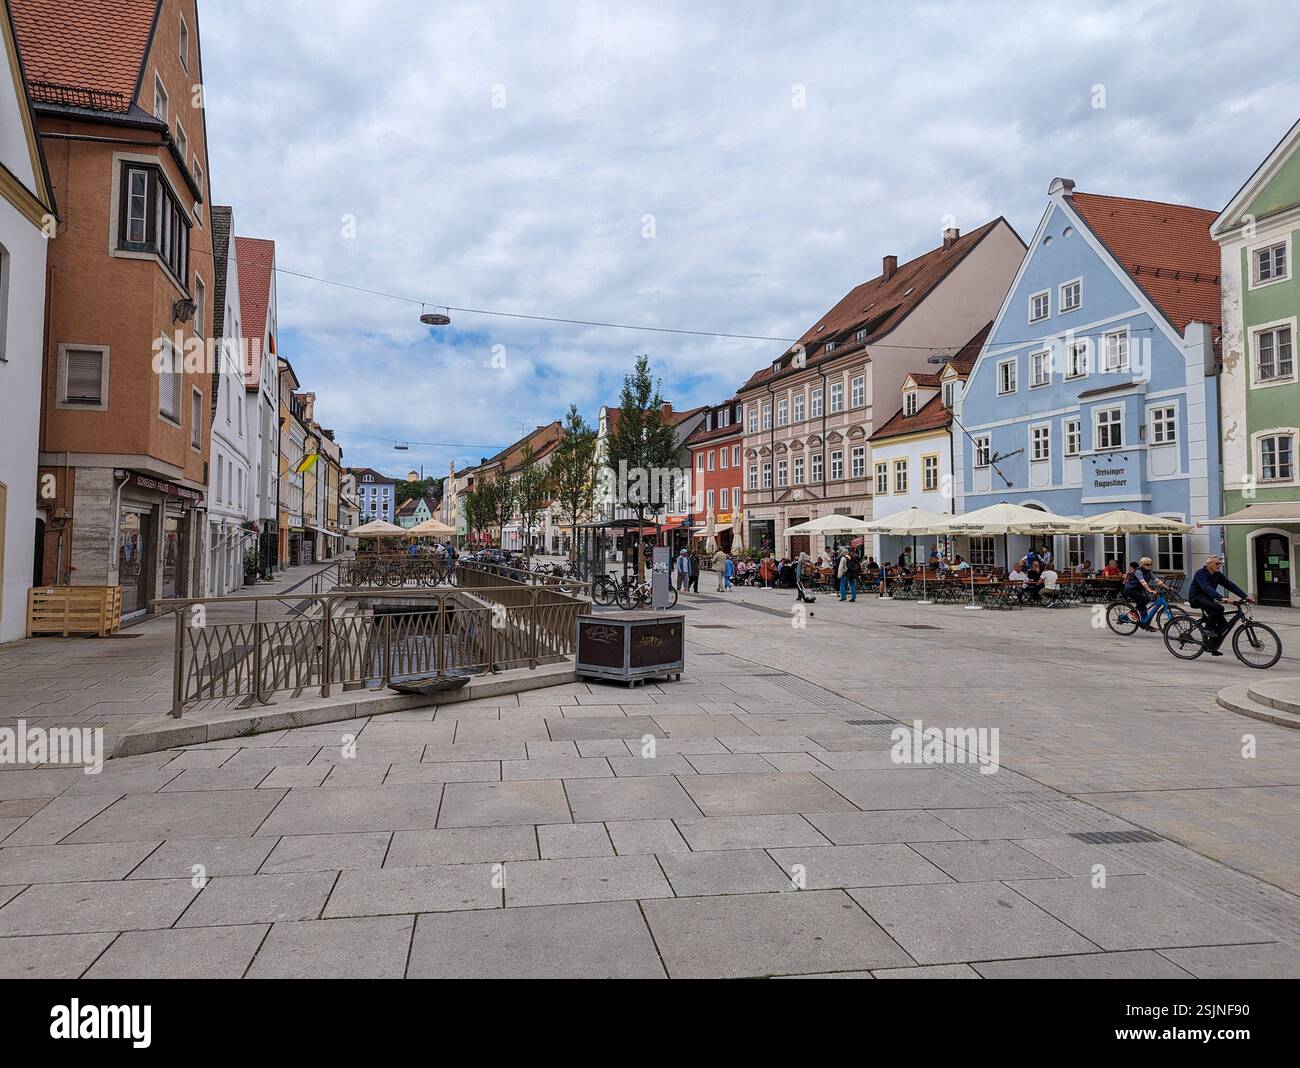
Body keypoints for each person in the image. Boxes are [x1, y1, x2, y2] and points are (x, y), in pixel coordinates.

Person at [1188, 555, 1251, 655]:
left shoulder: (1217, 575)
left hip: (1208, 600)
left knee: (1223, 625)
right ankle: (1207, 629)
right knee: (1219, 608)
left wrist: (1245, 596)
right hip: (1196, 598)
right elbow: (1206, 587)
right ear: (1209, 565)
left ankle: (1211, 647)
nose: (1219, 565)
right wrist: (1221, 598)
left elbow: (1229, 585)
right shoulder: (1201, 573)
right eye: (1217, 563)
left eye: (1220, 563)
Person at [1125, 556, 1162, 630]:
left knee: (1143, 605)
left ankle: (1145, 624)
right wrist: (1150, 590)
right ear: (1143, 565)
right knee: (1144, 600)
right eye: (1147, 564)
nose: (1150, 566)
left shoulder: (1149, 572)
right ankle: (1133, 612)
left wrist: (1168, 587)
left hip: (1139, 590)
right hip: (1131, 589)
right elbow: (1143, 582)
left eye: (1150, 564)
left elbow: (1157, 580)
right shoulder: (1138, 571)